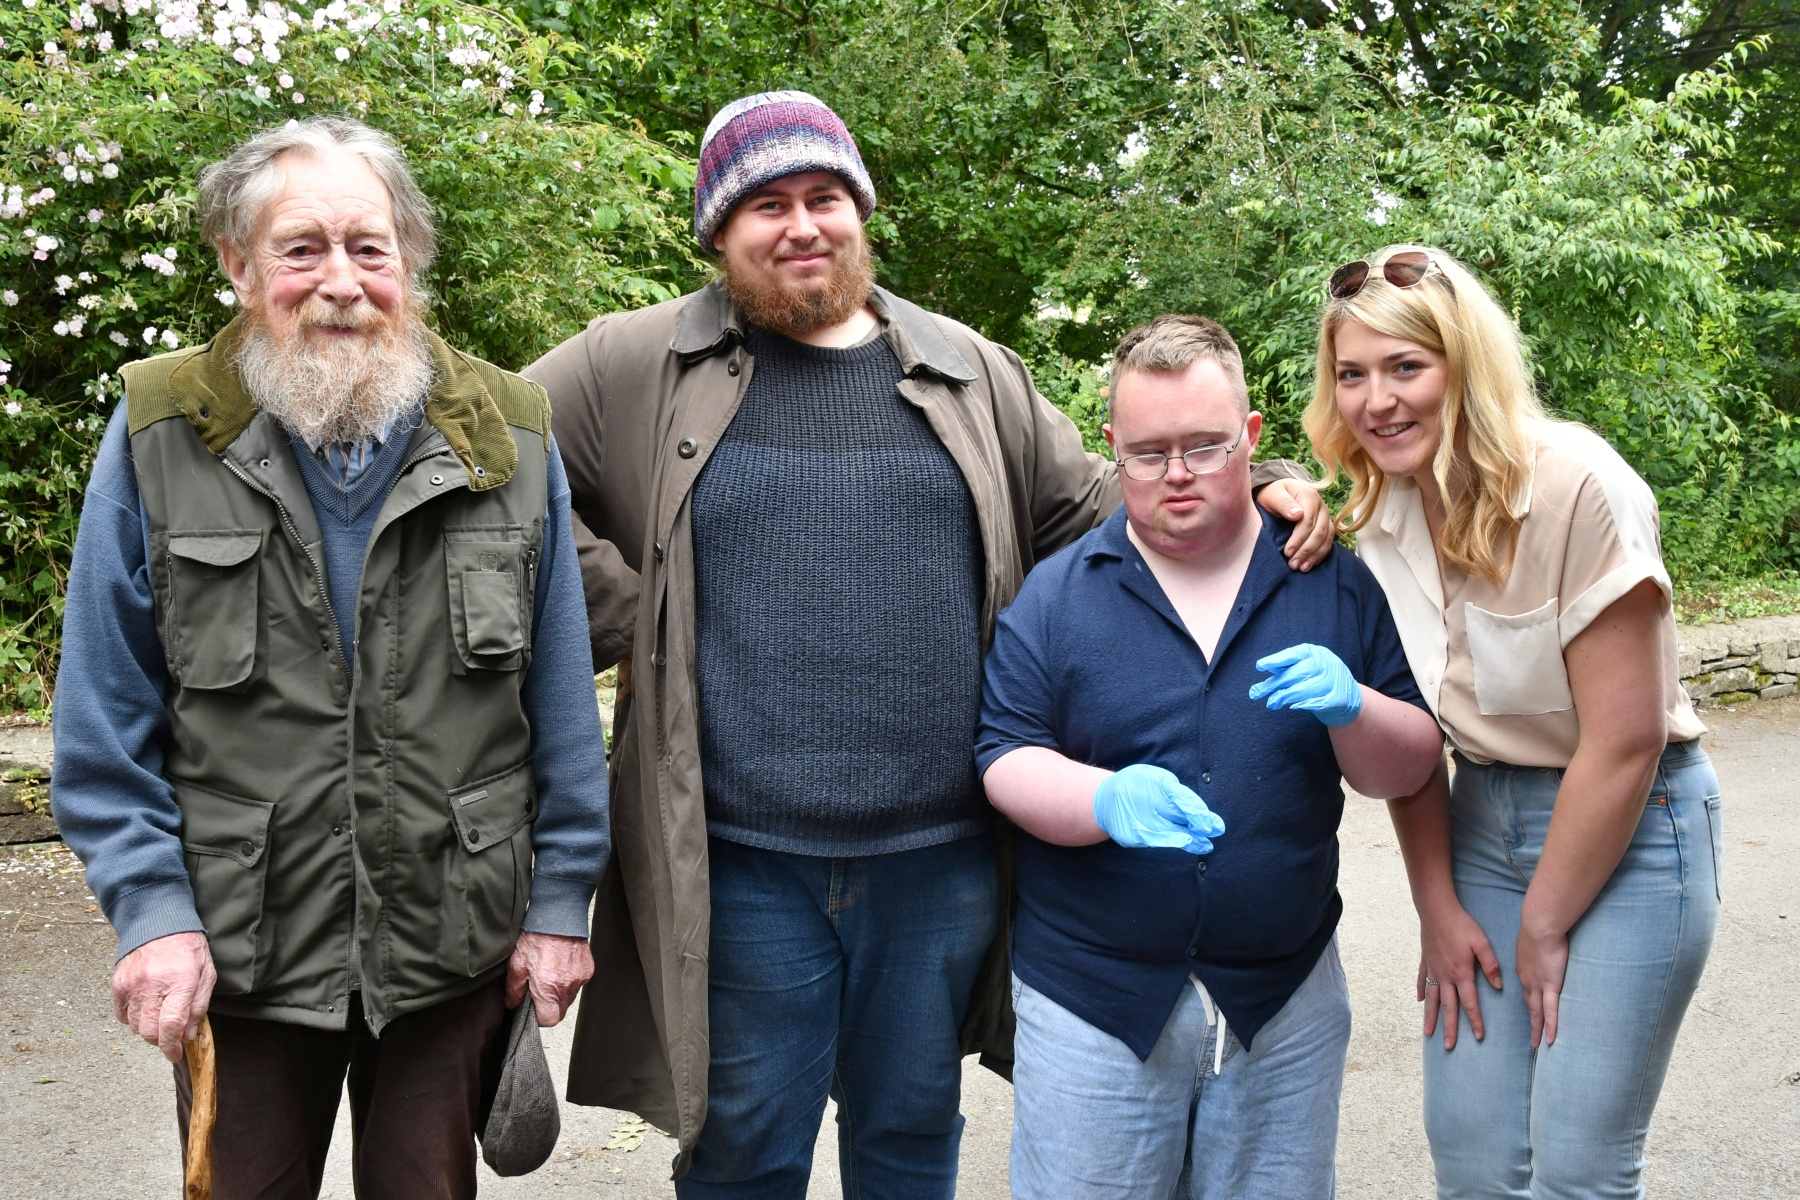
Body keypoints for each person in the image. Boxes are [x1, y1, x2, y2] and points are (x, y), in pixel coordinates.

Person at [524, 92, 1333, 1197]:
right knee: (744, 1150)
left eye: (824, 197)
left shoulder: (968, 369)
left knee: (910, 1142)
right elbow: (501, 470)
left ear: (863, 211)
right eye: (767, 205)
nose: (802, 225)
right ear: (719, 233)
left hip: (942, 857)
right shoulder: (634, 362)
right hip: (741, 861)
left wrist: (1266, 485)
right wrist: (629, 610)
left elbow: (1106, 510)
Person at [49, 117, 610, 1200]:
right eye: (301, 248)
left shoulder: (509, 434)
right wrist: (152, 916)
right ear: (239, 266)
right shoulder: (161, 429)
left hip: (451, 947)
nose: (340, 281)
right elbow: (103, 714)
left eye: (370, 247)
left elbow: (561, 699)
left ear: (412, 262)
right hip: (244, 953)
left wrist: (558, 903)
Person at [977, 314, 1444, 1198]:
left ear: (1253, 437)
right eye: (1149, 454)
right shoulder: (1057, 596)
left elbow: (1407, 767)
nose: (1178, 475)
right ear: (1113, 448)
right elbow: (1004, 756)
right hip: (1093, 1003)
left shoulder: (1330, 577)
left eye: (1205, 446)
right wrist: (1101, 799)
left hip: (1284, 1003)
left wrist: (1357, 709)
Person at [1305, 245, 1721, 1198]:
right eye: (1352, 375)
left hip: (1633, 830)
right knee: (1476, 1157)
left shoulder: (1580, 486)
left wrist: (1543, 923)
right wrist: (1437, 908)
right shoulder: (1382, 512)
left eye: (1407, 367)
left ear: (1466, 366)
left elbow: (1626, 739)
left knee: (1578, 1167)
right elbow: (1414, 746)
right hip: (1482, 826)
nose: (1378, 401)